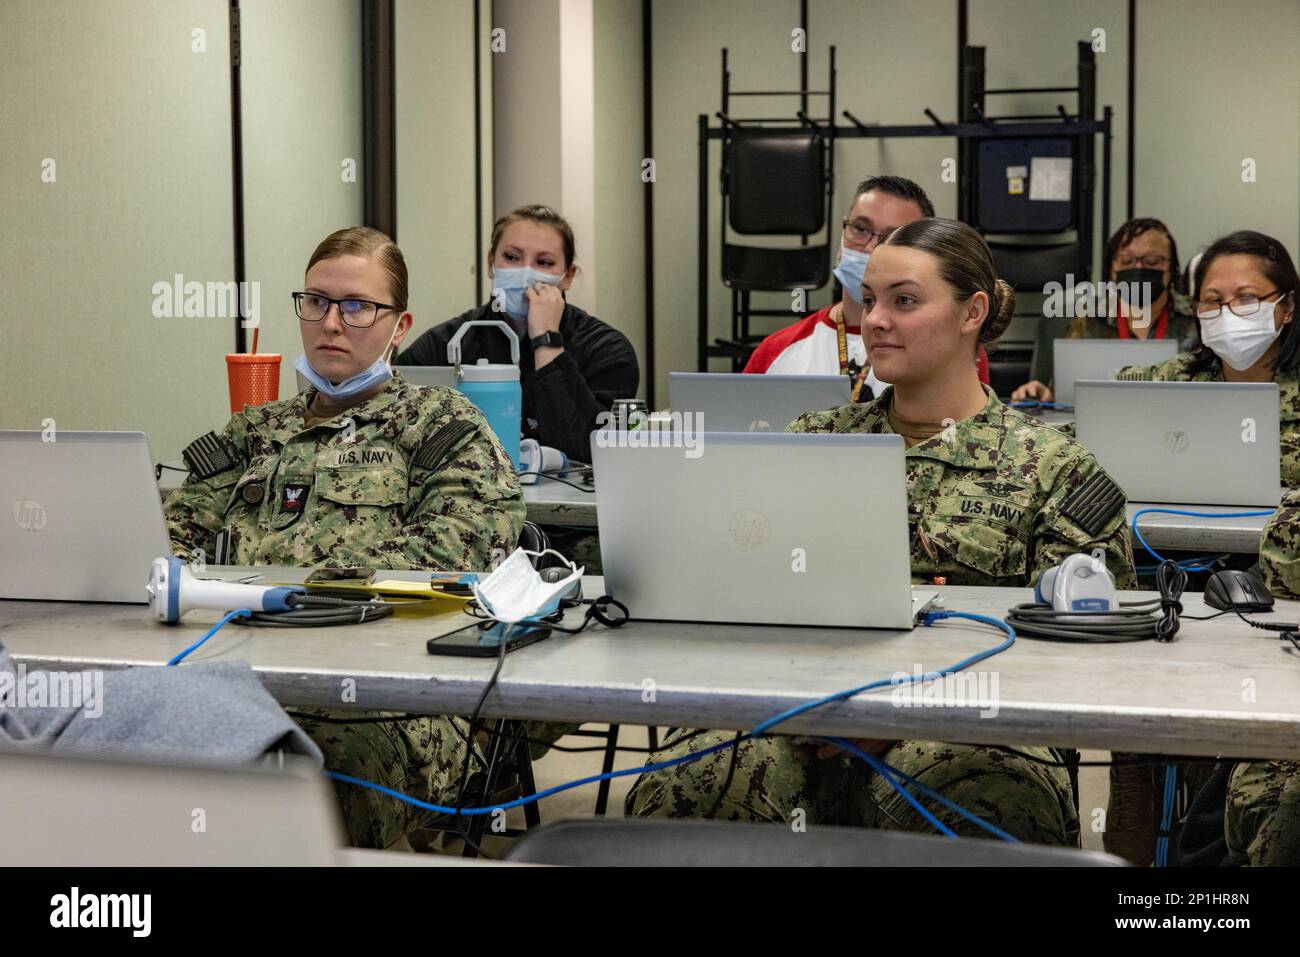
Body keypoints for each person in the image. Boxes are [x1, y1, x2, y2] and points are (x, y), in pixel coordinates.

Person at [626, 218, 1137, 843]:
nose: (875, 320)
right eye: (870, 300)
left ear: (972, 312)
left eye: (905, 301)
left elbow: (1084, 652)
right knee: (697, 784)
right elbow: (740, 598)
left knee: (989, 802)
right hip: (795, 706)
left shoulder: (1057, 468)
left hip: (974, 716)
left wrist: (907, 706)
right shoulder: (813, 442)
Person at [165, 226, 526, 849]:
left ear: (399, 325)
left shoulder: (441, 426)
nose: (332, 322)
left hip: (396, 697)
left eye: (358, 306)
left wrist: (277, 585)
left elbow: (459, 553)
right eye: (317, 302)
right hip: (236, 675)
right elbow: (169, 540)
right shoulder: (252, 431)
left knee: (305, 780)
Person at [396, 204, 639, 463]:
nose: (524, 272)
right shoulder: (448, 341)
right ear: (491, 264)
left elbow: (590, 451)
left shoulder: (606, 349)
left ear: (568, 276)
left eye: (543, 262)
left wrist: (547, 340)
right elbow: (393, 422)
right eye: (511, 258)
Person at [743, 176, 990, 396]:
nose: (871, 248)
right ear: (843, 228)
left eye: (893, 237)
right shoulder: (776, 351)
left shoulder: (953, 349)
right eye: (860, 229)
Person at [1113, 230, 1300, 485]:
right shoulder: (1173, 380)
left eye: (1246, 298)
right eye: (1214, 300)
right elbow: (1092, 431)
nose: (1228, 313)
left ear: (1287, 306)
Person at [1013, 217, 1198, 402]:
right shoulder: (1082, 318)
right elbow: (1060, 395)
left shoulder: (1197, 320)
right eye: (1127, 261)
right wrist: (1041, 392)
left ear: (1172, 268)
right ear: (1111, 268)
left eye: (1152, 261)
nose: (1139, 268)